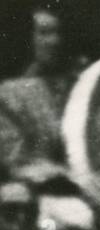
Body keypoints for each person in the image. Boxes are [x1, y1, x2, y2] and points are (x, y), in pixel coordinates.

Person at [0, 1, 81, 183]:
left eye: (59, 32)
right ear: (29, 37)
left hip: (95, 187)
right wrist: (69, 175)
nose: (54, 41)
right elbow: (17, 160)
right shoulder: (9, 95)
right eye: (44, 33)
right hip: (43, 192)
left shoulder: (84, 87)